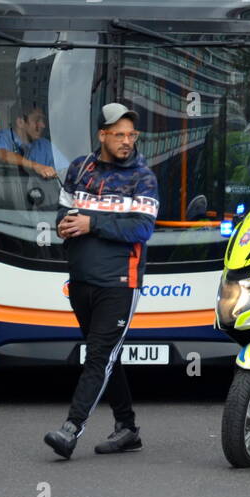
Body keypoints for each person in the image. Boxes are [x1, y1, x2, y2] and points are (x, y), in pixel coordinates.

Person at [44, 103, 159, 459]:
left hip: (119, 282)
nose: (127, 141)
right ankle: (127, 429)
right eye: (120, 134)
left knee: (98, 356)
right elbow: (64, 210)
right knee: (107, 354)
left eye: (132, 135)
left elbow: (142, 228)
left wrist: (91, 224)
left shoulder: (143, 177)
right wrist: (64, 223)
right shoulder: (79, 168)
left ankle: (70, 429)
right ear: (103, 135)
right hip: (81, 279)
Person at [0, 101, 58, 179]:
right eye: (37, 120)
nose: (43, 125)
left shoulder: (45, 145)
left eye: (43, 121)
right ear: (20, 122)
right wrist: (36, 166)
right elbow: (0, 154)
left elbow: (65, 170)